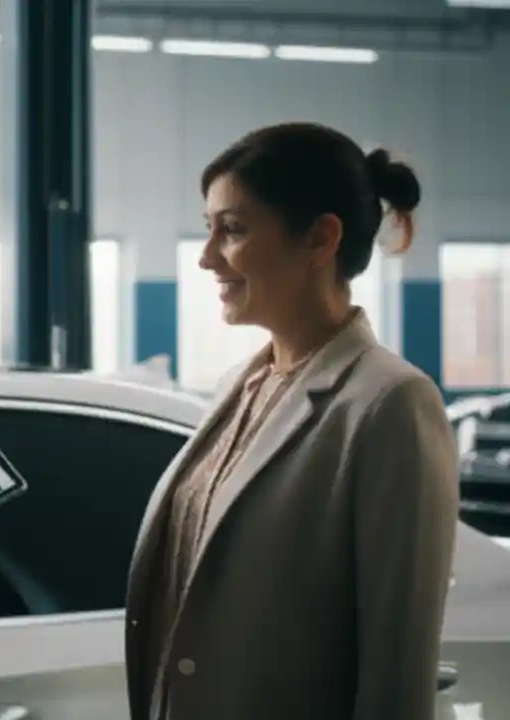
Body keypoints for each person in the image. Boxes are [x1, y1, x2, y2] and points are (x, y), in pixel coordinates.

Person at [124, 123, 457, 720]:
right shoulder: (240, 387)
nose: (205, 258)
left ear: (320, 238)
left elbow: (397, 673)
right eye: (208, 230)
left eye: (233, 230)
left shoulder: (390, 404)